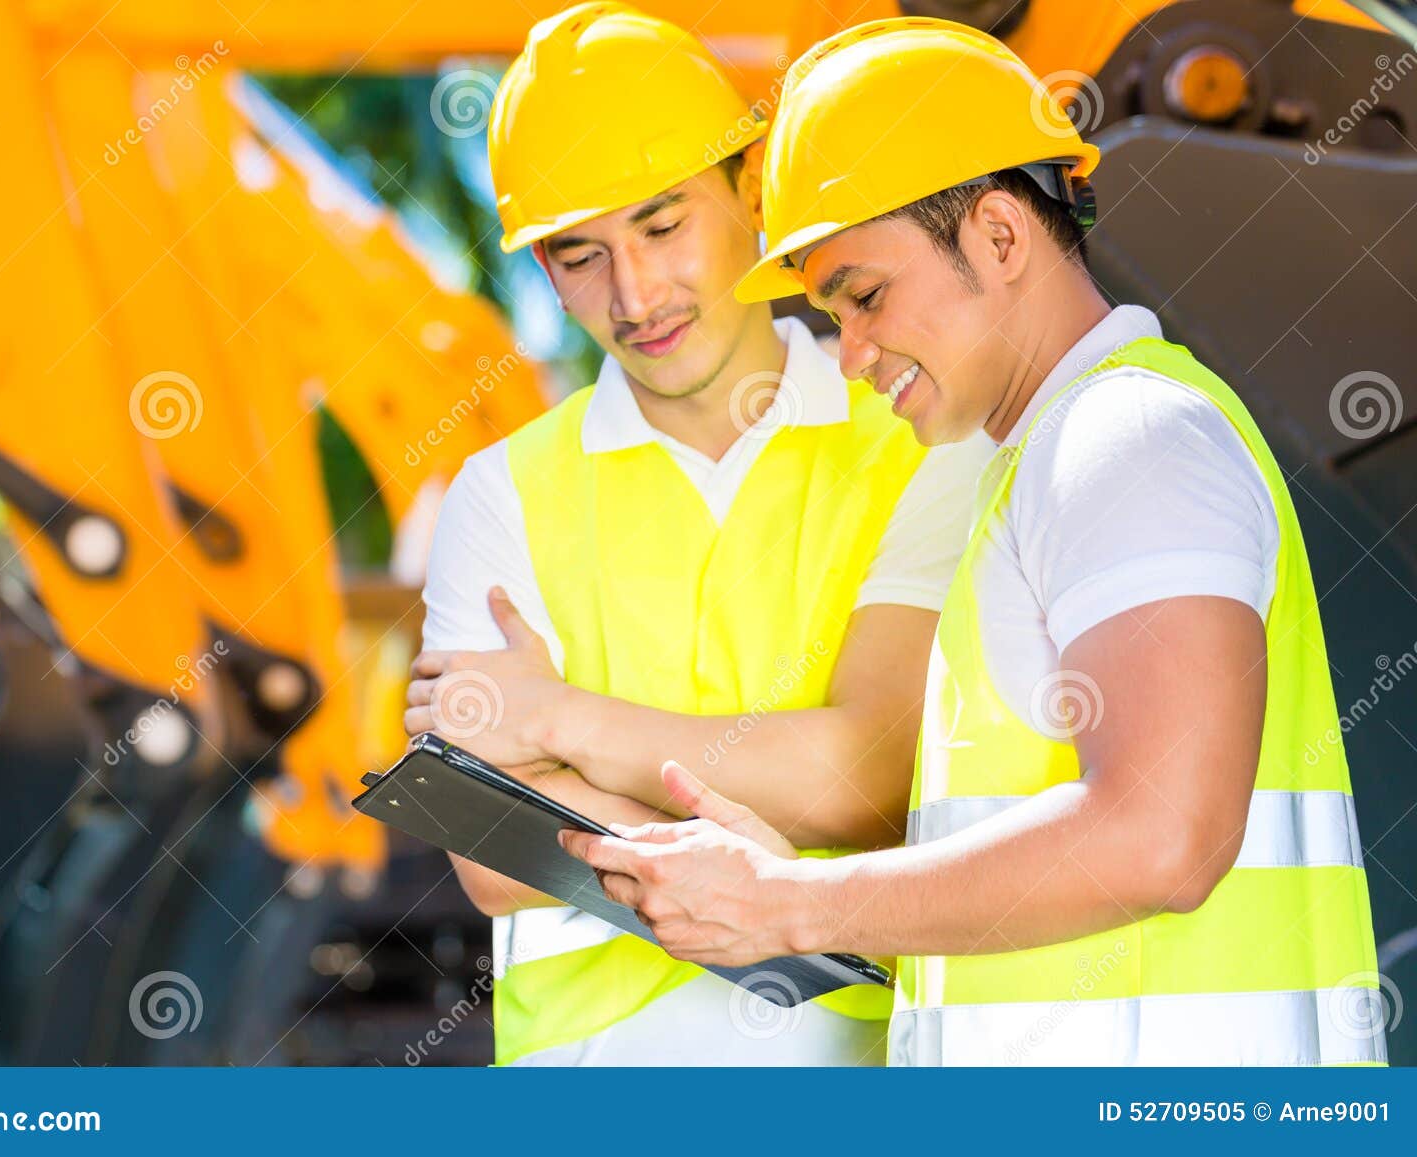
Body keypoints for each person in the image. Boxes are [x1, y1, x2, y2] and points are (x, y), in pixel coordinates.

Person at [561, 16, 1385, 1067]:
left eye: (862, 297)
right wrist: (795, 890)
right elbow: (1053, 896)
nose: (850, 354)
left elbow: (1162, 837)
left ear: (1000, 236)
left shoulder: (1123, 439)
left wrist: (799, 900)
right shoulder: (1045, 463)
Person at [406, 4, 989, 1066]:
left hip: (864, 1063)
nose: (634, 295)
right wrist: (784, 800)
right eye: (579, 255)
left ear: (750, 192)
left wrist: (556, 724)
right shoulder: (502, 492)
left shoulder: (918, 439)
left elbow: (870, 777)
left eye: (662, 225)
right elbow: (492, 848)